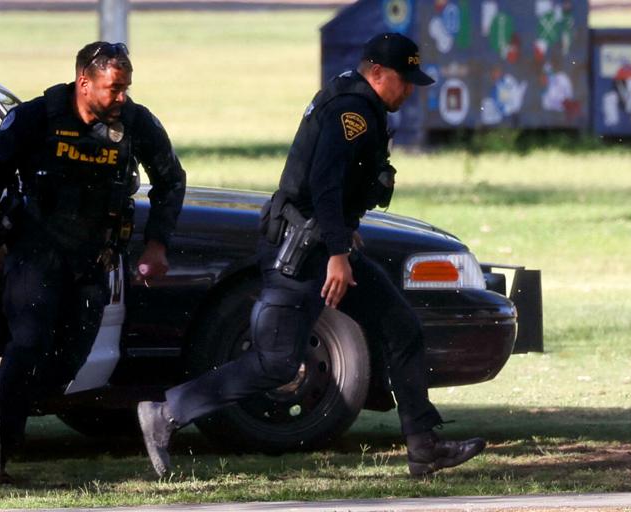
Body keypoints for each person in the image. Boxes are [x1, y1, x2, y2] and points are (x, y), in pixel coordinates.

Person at [135, 33, 484, 478]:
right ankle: (166, 413)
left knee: (401, 328)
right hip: (301, 253)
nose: (409, 91)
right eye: (404, 80)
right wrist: (338, 251)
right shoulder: (351, 111)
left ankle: (424, 446)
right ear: (377, 73)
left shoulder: (358, 101)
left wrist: (344, 235)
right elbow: (324, 183)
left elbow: (337, 183)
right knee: (277, 362)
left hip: (324, 246)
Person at [0, 41, 186, 475]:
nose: (122, 97)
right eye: (115, 88)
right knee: (28, 345)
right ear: (84, 83)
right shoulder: (35, 118)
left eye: (126, 88)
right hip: (36, 255)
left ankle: (4, 415)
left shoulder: (136, 122)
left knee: (69, 363)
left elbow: (171, 179)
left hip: (94, 260)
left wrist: (157, 244)